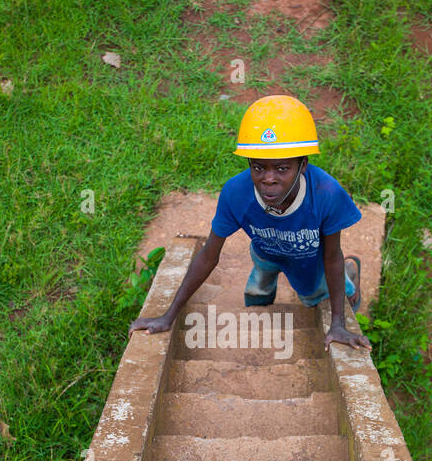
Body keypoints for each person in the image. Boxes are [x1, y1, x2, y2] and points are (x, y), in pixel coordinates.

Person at [129, 95, 370, 351]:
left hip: (309, 258)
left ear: (303, 165)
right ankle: (262, 317)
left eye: (282, 168)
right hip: (264, 251)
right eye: (258, 168)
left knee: (314, 296)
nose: (268, 179)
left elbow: (331, 256)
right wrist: (168, 316)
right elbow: (209, 255)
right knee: (258, 293)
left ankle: (349, 284)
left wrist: (338, 324)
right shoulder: (236, 193)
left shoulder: (326, 193)